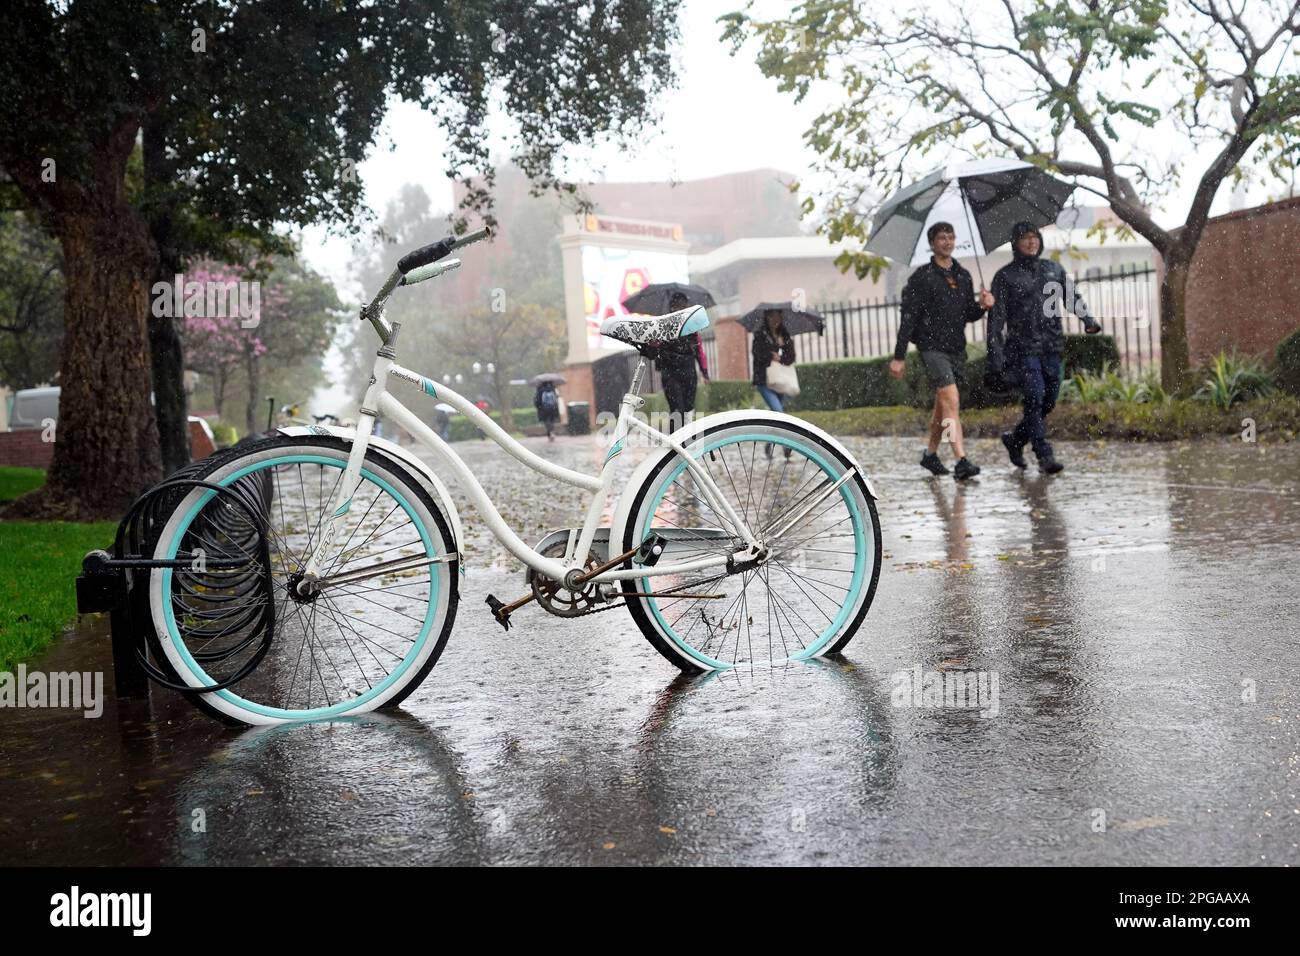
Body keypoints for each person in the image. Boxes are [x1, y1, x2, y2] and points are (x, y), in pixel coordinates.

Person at [986, 221, 1102, 474]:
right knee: (1034, 399)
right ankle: (1044, 454)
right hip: (1023, 349)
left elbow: (1072, 297)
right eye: (1025, 238)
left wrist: (1088, 320)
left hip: (1052, 345)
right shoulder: (1005, 276)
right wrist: (995, 356)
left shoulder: (1053, 269)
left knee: (1048, 401)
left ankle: (1015, 440)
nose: (1031, 242)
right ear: (1015, 243)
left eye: (1034, 237)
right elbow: (996, 321)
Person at [889, 221, 994, 481]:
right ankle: (961, 460)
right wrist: (899, 356)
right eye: (941, 238)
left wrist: (983, 305)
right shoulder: (922, 277)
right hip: (931, 348)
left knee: (943, 404)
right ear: (932, 243)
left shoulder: (963, 275)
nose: (947, 241)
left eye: (950, 236)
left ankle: (930, 455)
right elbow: (908, 318)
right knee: (952, 400)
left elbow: (967, 314)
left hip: (956, 348)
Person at [656, 291, 709, 431]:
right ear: (672, 307)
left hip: (689, 373)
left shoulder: (692, 328)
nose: (680, 308)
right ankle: (675, 444)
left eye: (683, 305)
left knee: (688, 409)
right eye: (677, 305)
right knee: (677, 410)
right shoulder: (663, 327)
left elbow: (700, 351)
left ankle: (689, 442)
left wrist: (704, 372)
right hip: (670, 374)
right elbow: (655, 352)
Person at [752, 307, 797, 458]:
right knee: (779, 413)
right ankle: (787, 445)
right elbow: (756, 354)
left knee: (775, 416)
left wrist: (782, 352)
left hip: (780, 381)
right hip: (764, 381)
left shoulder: (785, 334)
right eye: (772, 317)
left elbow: (791, 357)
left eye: (778, 317)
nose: (775, 320)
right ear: (767, 317)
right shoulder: (760, 334)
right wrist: (770, 355)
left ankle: (768, 443)